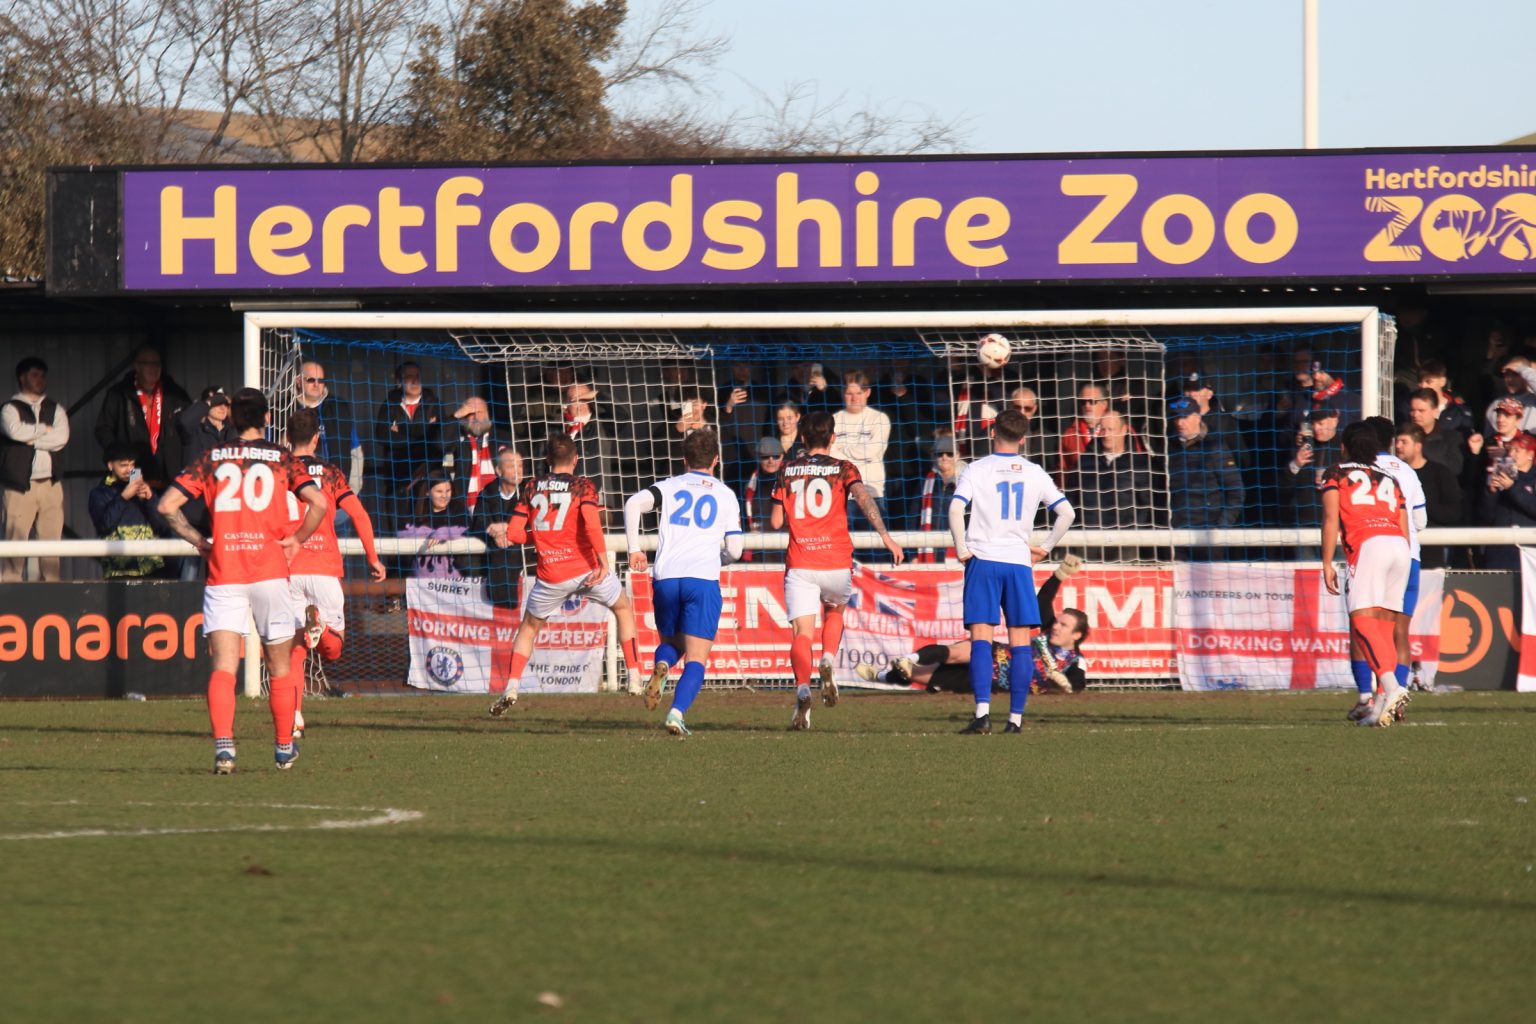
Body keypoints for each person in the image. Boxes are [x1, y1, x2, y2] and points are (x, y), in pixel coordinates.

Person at [158, 387, 329, 773]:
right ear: (268, 419)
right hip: (269, 571)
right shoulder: (282, 458)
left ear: (232, 419)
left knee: (223, 665)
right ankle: (284, 747)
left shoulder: (212, 457)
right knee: (280, 664)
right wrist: (297, 540)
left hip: (225, 572)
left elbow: (166, 505)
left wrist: (199, 541)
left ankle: (224, 749)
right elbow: (319, 503)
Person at [488, 433, 643, 717]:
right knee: (622, 608)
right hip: (586, 569)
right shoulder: (582, 486)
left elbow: (512, 533)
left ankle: (511, 687)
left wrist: (544, 538)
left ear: (547, 460)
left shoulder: (532, 486)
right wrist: (603, 562)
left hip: (550, 575)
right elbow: (592, 524)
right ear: (576, 459)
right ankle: (634, 678)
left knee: (528, 628)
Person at [771, 410, 904, 730]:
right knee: (835, 610)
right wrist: (886, 536)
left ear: (802, 438)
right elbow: (862, 498)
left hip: (801, 562)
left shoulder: (786, 469)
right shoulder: (844, 468)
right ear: (833, 438)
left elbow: (776, 522)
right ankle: (828, 659)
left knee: (802, 633)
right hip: (836, 562)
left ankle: (803, 689)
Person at [949, 407, 1076, 734]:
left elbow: (955, 507)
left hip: (984, 561)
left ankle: (981, 715)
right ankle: (1015, 720)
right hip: (1018, 564)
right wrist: (1045, 547)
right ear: (1023, 438)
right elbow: (1067, 514)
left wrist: (962, 549)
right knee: (1021, 641)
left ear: (993, 432)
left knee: (981, 638)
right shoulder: (1035, 472)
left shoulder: (977, 469)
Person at [624, 430, 745, 735]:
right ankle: (676, 713)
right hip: (701, 577)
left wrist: (634, 549)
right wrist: (718, 561)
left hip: (666, 577)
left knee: (671, 644)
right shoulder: (725, 494)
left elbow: (632, 504)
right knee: (697, 656)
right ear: (715, 460)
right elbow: (736, 550)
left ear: (684, 460)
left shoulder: (670, 486)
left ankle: (662, 667)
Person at [283, 408, 386, 739]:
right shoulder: (330, 472)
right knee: (334, 649)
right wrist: (373, 558)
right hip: (324, 566)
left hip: (288, 568)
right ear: (317, 437)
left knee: (295, 650)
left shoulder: (277, 469)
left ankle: (294, 717)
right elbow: (359, 514)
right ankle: (323, 628)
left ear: (287, 437)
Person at [860, 555, 1089, 694]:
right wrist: (1060, 574)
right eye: (1058, 622)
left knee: (920, 675)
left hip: (995, 684)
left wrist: (1063, 682)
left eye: (1064, 625)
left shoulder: (1075, 661)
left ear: (1076, 635)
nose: (1056, 627)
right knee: (955, 652)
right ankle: (909, 658)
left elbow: (1078, 685)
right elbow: (1042, 601)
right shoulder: (1049, 632)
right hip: (995, 653)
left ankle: (880, 677)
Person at [1320, 421, 1411, 728]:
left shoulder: (1336, 473)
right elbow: (1403, 522)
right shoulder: (1390, 477)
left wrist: (1326, 562)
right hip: (1400, 547)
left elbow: (1331, 519)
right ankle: (1383, 700)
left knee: (1361, 623)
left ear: (1343, 446)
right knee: (1384, 627)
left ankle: (1391, 685)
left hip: (1369, 545)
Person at [1364, 416, 1427, 709]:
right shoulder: (1408, 472)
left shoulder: (1361, 470)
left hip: (1372, 553)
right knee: (1400, 631)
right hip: (1408, 555)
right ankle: (1397, 696)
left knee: (1369, 628)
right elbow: (1421, 520)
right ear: (1391, 440)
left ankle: (1370, 695)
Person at [1, 356, 69, 581]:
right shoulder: (9, 408)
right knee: (15, 541)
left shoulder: (55, 408)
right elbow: (14, 432)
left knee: (51, 543)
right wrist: (44, 430)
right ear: (22, 378)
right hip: (20, 485)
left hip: (50, 483)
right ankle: (9, 587)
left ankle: (51, 589)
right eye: (35, 375)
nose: (40, 379)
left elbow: (61, 438)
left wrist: (32, 439)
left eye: (42, 375)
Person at [94, 345, 192, 488]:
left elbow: (190, 428)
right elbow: (103, 428)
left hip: (170, 473)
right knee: (136, 506)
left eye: (157, 364)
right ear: (137, 366)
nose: (153, 368)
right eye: (148, 364)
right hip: (135, 470)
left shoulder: (175, 393)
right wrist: (119, 454)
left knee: (167, 508)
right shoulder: (120, 393)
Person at [373, 360, 444, 528]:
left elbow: (439, 439)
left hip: (426, 480)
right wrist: (422, 433)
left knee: (426, 531)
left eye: (417, 376)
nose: (414, 381)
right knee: (398, 534)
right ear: (399, 382)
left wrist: (400, 429)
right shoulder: (389, 404)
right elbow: (382, 435)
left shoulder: (434, 403)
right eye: (408, 377)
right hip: (397, 482)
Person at [88, 442, 169, 579]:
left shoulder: (143, 490)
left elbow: (161, 527)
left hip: (151, 567)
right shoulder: (99, 493)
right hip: (118, 570)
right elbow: (104, 526)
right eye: (123, 465)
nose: (129, 470)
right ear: (110, 465)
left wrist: (150, 498)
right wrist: (124, 497)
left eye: (132, 465)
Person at [1168, 397, 1244, 530]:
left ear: (1197, 417)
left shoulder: (1214, 446)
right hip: (1177, 531)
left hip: (1208, 532)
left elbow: (1236, 491)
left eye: (1185, 417)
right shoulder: (1169, 447)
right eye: (1176, 417)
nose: (1180, 422)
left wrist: (1221, 527)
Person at [832, 370, 893, 535]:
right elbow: (830, 454)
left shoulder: (879, 419)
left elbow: (873, 450)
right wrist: (859, 451)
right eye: (849, 393)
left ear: (867, 392)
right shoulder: (834, 420)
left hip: (872, 493)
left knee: (875, 550)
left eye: (858, 393)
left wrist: (843, 449)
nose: (854, 398)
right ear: (843, 394)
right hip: (842, 496)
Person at [1394, 424, 1463, 569]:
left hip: (1431, 551)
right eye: (1397, 442)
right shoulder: (1392, 474)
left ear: (1418, 446)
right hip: (1398, 549)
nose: (1398, 446)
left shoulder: (1440, 473)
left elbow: (1454, 511)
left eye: (1404, 442)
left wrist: (1421, 507)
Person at [471, 447, 529, 619]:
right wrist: (493, 531)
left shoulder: (530, 491)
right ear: (498, 470)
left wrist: (508, 529)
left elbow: (534, 521)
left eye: (520, 465)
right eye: (512, 466)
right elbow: (479, 522)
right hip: (493, 549)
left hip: (523, 551)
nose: (518, 470)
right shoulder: (487, 492)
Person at [1072, 409, 1156, 529]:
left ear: (1124, 430)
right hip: (1088, 538)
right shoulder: (1084, 462)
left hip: (1125, 540)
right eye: (1103, 430)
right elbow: (1071, 499)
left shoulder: (1139, 464)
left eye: (1111, 430)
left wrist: (1135, 535)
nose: (1106, 435)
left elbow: (1146, 505)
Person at [294, 360, 363, 493]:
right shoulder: (284, 409)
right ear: (298, 381)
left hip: (336, 490)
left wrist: (352, 488)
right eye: (311, 380)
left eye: (321, 380)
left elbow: (355, 450)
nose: (316, 384)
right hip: (298, 491)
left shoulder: (339, 407)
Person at [1476, 430, 1536, 570]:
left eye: (1517, 450)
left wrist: (1513, 487)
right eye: (1510, 450)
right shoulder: (1500, 474)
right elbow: (1486, 516)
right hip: (1499, 551)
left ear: (1530, 455)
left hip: (1529, 552)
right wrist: (1490, 492)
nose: (1511, 454)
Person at [1280, 409, 1343, 528]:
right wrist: (1296, 464)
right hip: (1304, 522)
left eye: (1320, 423)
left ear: (1334, 420)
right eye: (1313, 424)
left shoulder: (1345, 447)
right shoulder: (1303, 446)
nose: (1316, 428)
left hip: (1336, 523)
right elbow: (1283, 486)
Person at [401, 471, 468, 579]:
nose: (444, 496)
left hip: (453, 584)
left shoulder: (459, 511)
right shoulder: (416, 512)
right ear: (427, 492)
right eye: (439, 491)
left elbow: (467, 532)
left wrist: (443, 533)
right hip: (423, 584)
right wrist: (426, 534)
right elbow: (402, 533)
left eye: (448, 491)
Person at [448, 396, 504, 514]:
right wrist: (456, 415)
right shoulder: (454, 439)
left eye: (480, 412)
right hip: (462, 512)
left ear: (488, 415)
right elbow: (437, 444)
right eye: (471, 413)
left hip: (498, 512)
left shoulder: (503, 439)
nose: (477, 417)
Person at [916, 434, 964, 561]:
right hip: (928, 550)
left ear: (958, 455)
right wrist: (912, 554)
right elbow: (913, 518)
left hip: (958, 552)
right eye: (940, 454)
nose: (944, 457)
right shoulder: (924, 482)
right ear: (934, 457)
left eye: (949, 453)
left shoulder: (966, 482)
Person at [1404, 387, 1465, 476]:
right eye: (1412, 410)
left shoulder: (1451, 438)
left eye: (1421, 411)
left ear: (1435, 412)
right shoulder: (1402, 436)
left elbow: (1455, 468)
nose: (1415, 415)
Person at [742, 436, 785, 558]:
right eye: (765, 457)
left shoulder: (789, 480)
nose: (771, 460)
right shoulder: (750, 483)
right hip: (758, 548)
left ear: (782, 456)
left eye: (775, 456)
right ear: (758, 457)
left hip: (783, 546)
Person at [179, 386, 233, 467]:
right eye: (217, 403)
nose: (223, 408)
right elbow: (185, 421)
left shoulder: (233, 430)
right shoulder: (195, 430)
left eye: (225, 404)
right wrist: (208, 402)